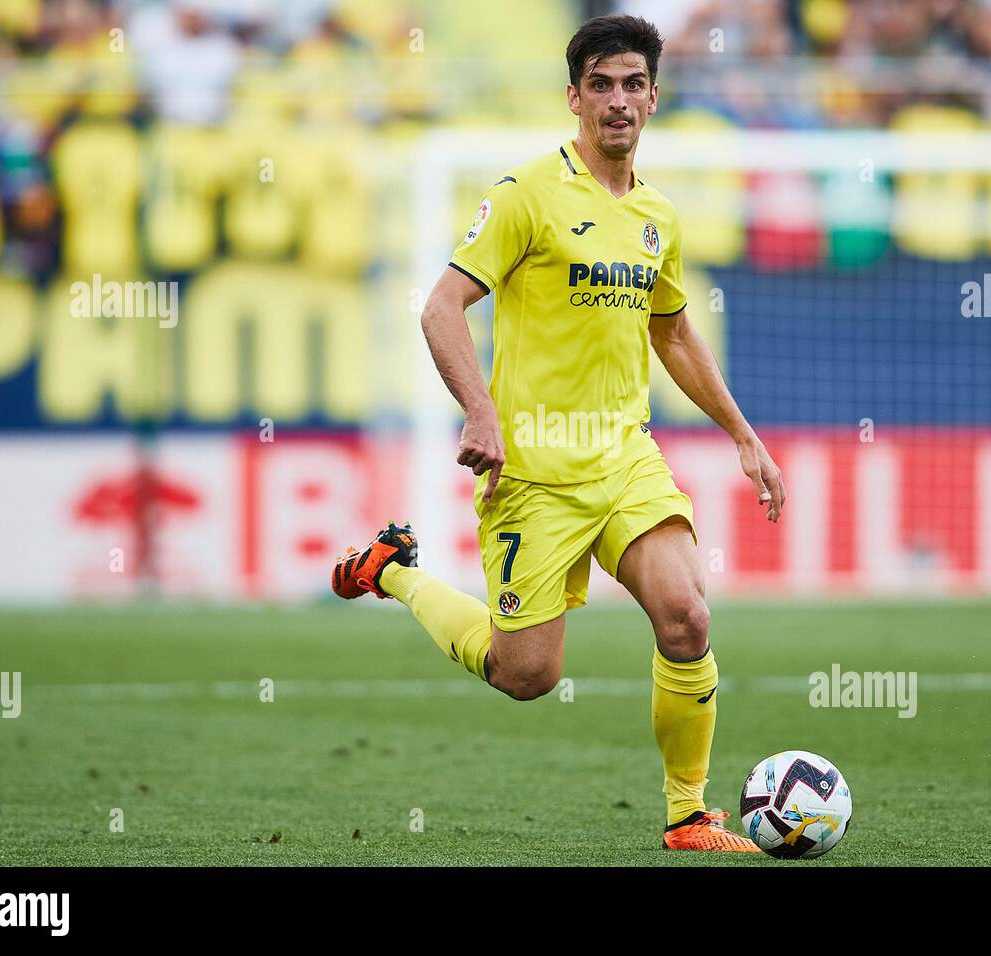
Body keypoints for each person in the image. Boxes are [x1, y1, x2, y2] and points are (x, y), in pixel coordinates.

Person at [333, 14, 783, 852]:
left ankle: (688, 814)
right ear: (574, 97)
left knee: (687, 616)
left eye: (633, 84)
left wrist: (742, 435)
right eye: (601, 85)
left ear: (654, 96)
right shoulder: (526, 193)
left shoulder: (657, 217)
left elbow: (674, 333)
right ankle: (392, 572)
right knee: (526, 676)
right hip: (533, 473)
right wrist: (481, 409)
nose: (618, 101)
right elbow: (440, 307)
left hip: (625, 459)